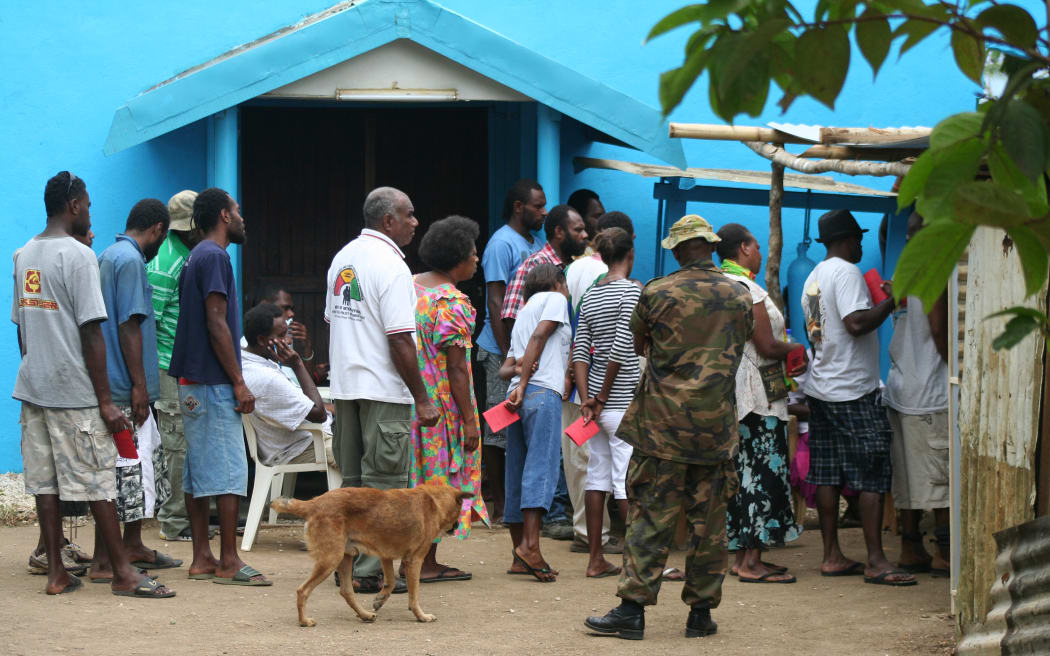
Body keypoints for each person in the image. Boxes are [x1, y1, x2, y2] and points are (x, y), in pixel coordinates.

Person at [585, 214, 752, 640]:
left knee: (650, 518)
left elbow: (639, 344)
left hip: (662, 426)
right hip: (715, 428)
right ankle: (700, 614)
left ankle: (632, 611)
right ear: (711, 246)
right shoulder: (740, 294)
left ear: (677, 250)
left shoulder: (657, 292)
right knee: (710, 525)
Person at [14, 171, 173, 598]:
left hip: (33, 387)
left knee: (45, 484)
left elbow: (21, 328)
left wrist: (35, 363)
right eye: (87, 203)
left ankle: (56, 573)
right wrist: (105, 400)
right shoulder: (79, 255)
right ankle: (122, 572)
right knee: (100, 480)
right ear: (74, 206)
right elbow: (92, 332)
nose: (89, 210)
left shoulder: (25, 253)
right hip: (74, 391)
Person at [325, 186, 440, 593]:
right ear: (387, 221)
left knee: (352, 484)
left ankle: (348, 565)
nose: (415, 222)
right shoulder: (391, 266)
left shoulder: (343, 258)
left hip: (346, 388)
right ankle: (371, 570)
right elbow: (400, 340)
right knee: (384, 485)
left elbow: (334, 320)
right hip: (383, 390)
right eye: (409, 214)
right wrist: (423, 398)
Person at [800, 209, 915, 586]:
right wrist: (892, 298)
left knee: (828, 473)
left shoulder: (813, 278)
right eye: (858, 238)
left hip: (821, 388)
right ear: (846, 239)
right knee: (872, 472)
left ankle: (832, 555)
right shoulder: (847, 273)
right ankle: (876, 560)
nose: (862, 244)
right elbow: (856, 323)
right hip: (853, 389)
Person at [169, 187, 269, 586]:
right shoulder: (214, 256)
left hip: (194, 380)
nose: (242, 218)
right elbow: (216, 322)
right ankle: (229, 560)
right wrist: (239, 381)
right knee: (229, 470)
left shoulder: (196, 256)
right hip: (212, 381)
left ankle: (201, 558)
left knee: (198, 471)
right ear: (224, 216)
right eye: (238, 211)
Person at [92, 198, 183, 581]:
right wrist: (140, 388)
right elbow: (130, 325)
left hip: (121, 383)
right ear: (158, 231)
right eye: (162, 240)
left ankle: (132, 545)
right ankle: (104, 560)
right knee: (125, 473)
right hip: (125, 387)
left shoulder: (111, 255)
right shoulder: (129, 260)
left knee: (141, 467)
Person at [716, 223, 806, 584]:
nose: (760, 251)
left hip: (738, 394)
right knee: (761, 476)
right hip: (757, 397)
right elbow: (767, 346)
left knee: (744, 475)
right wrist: (797, 349)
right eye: (755, 245)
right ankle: (751, 562)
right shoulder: (747, 289)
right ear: (743, 248)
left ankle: (742, 557)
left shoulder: (722, 284)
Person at [409, 215, 490, 582]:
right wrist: (471, 421)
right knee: (440, 481)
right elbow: (457, 369)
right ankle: (426, 563)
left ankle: (412, 559)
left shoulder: (409, 288)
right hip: (442, 409)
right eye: (474, 253)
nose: (478, 260)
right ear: (457, 258)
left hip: (409, 398)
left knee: (415, 478)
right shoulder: (453, 303)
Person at [571, 227, 642, 578]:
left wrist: (587, 399)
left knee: (597, 477)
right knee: (626, 479)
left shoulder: (591, 294)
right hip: (621, 399)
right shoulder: (632, 291)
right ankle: (638, 563)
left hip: (596, 407)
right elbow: (621, 345)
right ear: (629, 254)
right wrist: (601, 395)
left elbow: (581, 348)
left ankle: (595, 559)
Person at [475, 179, 546, 522]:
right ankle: (500, 501)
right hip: (500, 350)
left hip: (527, 350)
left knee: (519, 424)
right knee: (498, 424)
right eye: (538, 206)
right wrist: (508, 354)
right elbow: (495, 300)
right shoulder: (502, 244)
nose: (543, 212)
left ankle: (516, 501)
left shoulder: (537, 241)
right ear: (519, 207)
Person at [498, 263, 572, 582]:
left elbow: (505, 368)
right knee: (541, 467)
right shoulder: (555, 299)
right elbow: (541, 337)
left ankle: (519, 553)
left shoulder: (523, 311)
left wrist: (519, 379)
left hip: (514, 398)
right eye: (565, 282)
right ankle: (530, 547)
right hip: (540, 392)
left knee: (517, 470)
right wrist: (528, 381)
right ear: (556, 282)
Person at [885, 213, 950, 577]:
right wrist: (959, 371)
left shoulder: (907, 270)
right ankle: (943, 553)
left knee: (908, 475)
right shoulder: (936, 269)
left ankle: (911, 549)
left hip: (901, 386)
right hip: (929, 389)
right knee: (939, 477)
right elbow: (939, 329)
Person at [148, 190, 203, 542]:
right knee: (177, 445)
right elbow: (147, 325)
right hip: (168, 369)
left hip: (184, 369)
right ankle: (173, 521)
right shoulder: (166, 264)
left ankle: (184, 516)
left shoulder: (186, 256)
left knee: (187, 442)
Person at [241, 302, 332, 466]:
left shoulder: (247, 360)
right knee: (361, 449)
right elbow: (319, 415)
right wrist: (297, 364)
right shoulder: (266, 377)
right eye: (282, 335)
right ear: (262, 339)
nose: (288, 340)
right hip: (301, 448)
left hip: (295, 442)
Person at [244, 283, 329, 385]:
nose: (291, 314)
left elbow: (307, 382)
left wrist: (306, 347)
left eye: (291, 309)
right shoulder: (250, 346)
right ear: (264, 306)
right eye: (285, 308)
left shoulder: (286, 338)